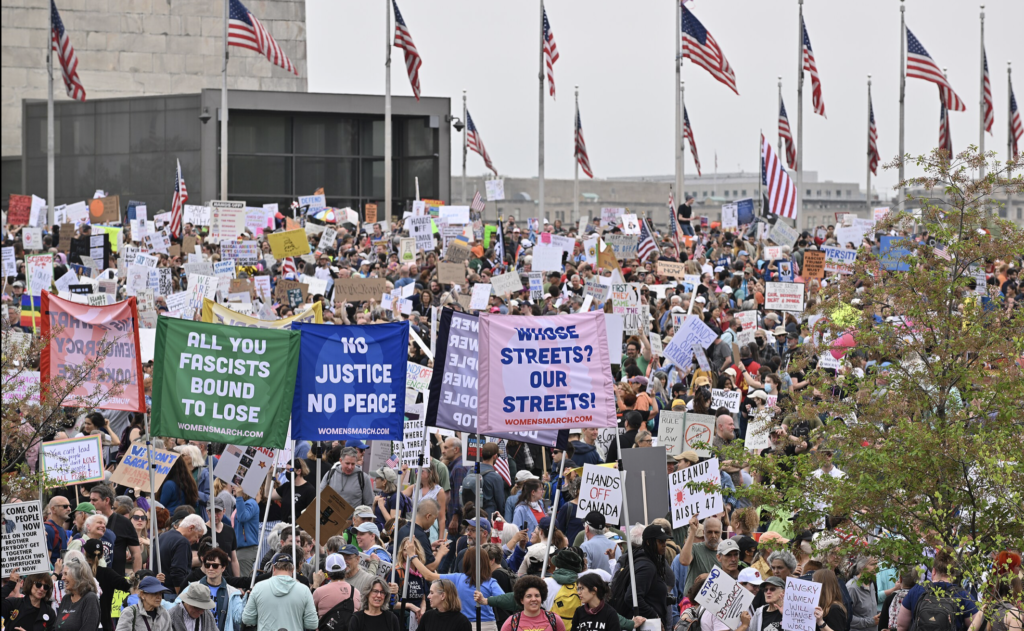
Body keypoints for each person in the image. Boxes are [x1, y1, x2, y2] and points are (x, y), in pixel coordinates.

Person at [408, 540, 504, 631]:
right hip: (484, 625)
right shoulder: (491, 582)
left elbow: (428, 576)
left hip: (464, 624)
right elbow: (503, 600)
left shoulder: (457, 578)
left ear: (465, 562)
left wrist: (413, 556)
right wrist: (487, 601)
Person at [896, 552, 976, 631]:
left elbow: (901, 626)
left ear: (933, 571)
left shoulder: (916, 591)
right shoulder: (962, 595)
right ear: (953, 575)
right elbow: (975, 625)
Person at [241, 553, 319, 631]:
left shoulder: (258, 587)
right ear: (292, 569)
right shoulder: (304, 590)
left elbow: (247, 619)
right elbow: (312, 624)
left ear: (273, 568)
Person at [176, 548, 245, 631]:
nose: (210, 568)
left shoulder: (232, 592)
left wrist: (247, 600)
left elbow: (239, 618)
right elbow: (176, 606)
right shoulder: (193, 587)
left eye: (215, 566)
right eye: (207, 565)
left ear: (223, 568)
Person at [90, 484, 143, 576]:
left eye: (94, 500)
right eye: (90, 500)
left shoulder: (124, 523)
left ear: (107, 500)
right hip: (91, 579)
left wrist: (137, 578)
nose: (91, 503)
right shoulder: (88, 521)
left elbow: (136, 553)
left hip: (116, 580)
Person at [573, 572, 646, 631]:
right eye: (578, 589)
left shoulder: (610, 613)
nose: (579, 592)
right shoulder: (579, 612)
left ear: (594, 590)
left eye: (581, 588)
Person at [159, 515, 208, 592]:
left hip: (159, 592)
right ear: (191, 528)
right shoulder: (183, 542)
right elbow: (177, 574)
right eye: (198, 536)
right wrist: (181, 598)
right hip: (172, 594)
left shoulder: (162, 536)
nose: (198, 541)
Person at [497, 576, 565, 631]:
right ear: (522, 600)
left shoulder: (554, 619)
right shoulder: (512, 621)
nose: (533, 599)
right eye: (528, 596)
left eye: (537, 595)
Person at [54, 557, 101, 631]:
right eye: (62, 574)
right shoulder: (66, 598)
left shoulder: (90, 598)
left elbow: (89, 628)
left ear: (77, 576)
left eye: (66, 574)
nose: (62, 578)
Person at [681, 516, 724, 595]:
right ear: (704, 532)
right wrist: (693, 531)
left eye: (716, 532)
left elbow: (731, 578)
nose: (713, 535)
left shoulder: (726, 553)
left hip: (714, 601)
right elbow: (684, 561)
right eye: (709, 532)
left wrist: (710, 576)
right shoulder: (695, 548)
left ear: (721, 532)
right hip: (693, 601)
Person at [313, 553, 364, 617]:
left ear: (327, 571)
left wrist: (316, 584)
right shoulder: (356, 593)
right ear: (345, 569)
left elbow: (311, 613)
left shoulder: (319, 592)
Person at [846, 557, 878, 631]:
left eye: (877, 564)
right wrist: (871, 622)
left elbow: (869, 612)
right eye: (872, 564)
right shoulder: (852, 587)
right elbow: (846, 617)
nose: (876, 567)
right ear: (862, 567)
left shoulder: (871, 584)